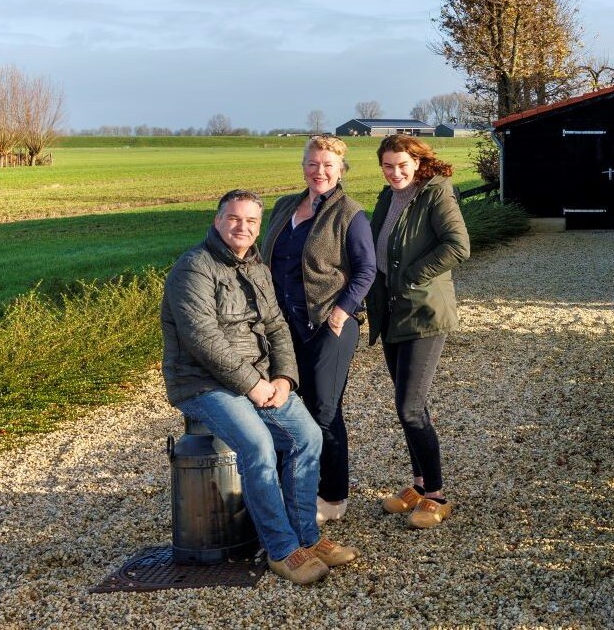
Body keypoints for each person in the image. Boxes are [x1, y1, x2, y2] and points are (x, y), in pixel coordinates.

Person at [160, 189, 358, 585]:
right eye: (234, 218)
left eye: (251, 221)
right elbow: (203, 339)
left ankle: (307, 537)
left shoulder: (256, 267)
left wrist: (284, 378)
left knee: (307, 436)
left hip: (260, 378)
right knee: (259, 446)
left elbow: (277, 326)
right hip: (202, 383)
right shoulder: (193, 268)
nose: (243, 227)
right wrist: (252, 385)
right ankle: (281, 549)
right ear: (217, 220)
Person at [260, 135, 376, 527]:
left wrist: (343, 312)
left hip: (330, 324)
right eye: (312, 163)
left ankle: (333, 496)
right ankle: (291, 488)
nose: (319, 171)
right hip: (283, 325)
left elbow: (366, 269)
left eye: (328, 165)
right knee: (283, 407)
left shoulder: (350, 214)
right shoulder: (284, 207)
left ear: (341, 169)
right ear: (303, 166)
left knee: (324, 410)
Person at [367, 135, 470, 529]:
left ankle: (436, 496)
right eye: (388, 166)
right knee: (408, 405)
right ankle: (419, 483)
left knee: (410, 408)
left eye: (402, 165)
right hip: (392, 313)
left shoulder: (435, 193)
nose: (395, 173)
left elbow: (457, 246)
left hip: (424, 311)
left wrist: (409, 275)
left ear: (417, 162)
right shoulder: (387, 197)